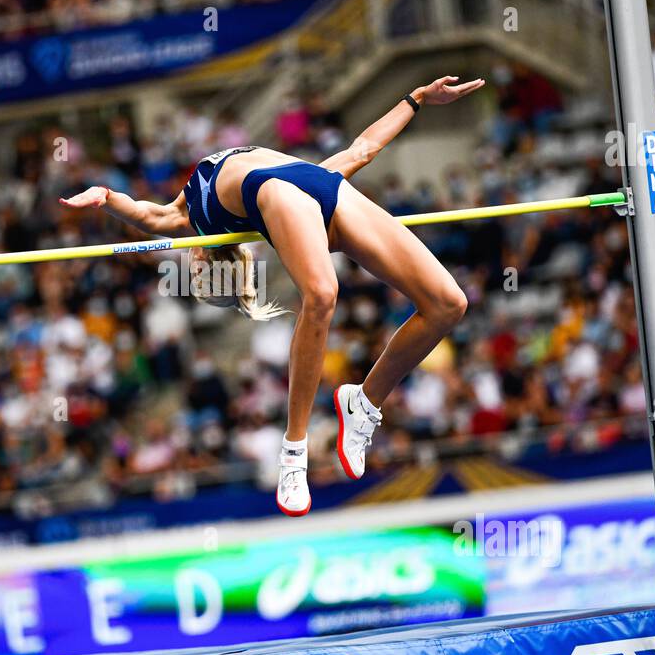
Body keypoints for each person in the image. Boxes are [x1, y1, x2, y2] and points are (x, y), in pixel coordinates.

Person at [61, 75, 484, 516]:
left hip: (321, 187)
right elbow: (155, 219)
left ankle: (364, 402)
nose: (192, 264)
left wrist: (415, 98)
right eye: (198, 272)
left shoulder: (186, 211)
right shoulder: (199, 221)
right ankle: (294, 453)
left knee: (448, 304)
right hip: (286, 192)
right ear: (209, 264)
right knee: (322, 294)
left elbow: (363, 148)